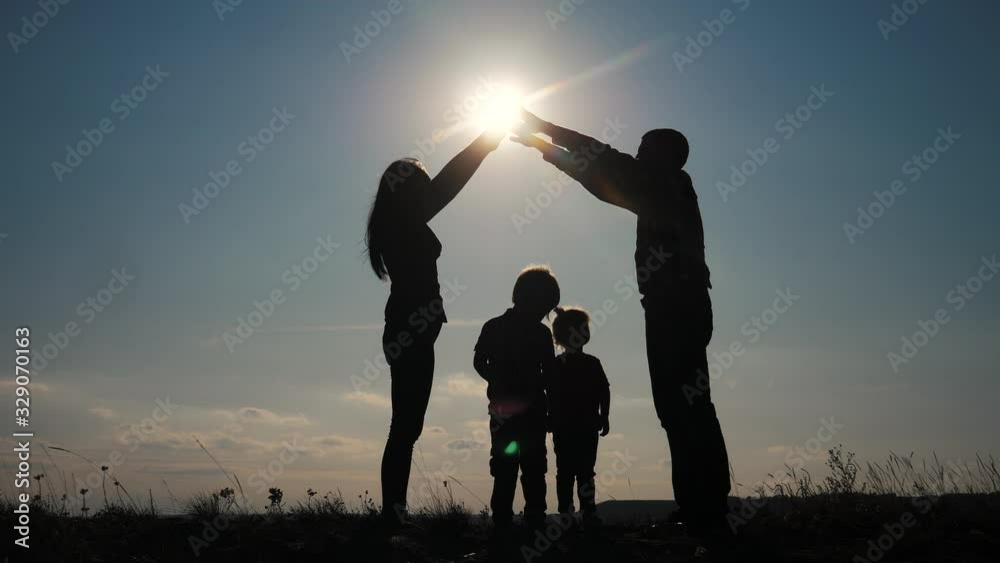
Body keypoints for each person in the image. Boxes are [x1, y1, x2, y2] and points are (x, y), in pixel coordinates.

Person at [513, 111, 731, 530]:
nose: (637, 153)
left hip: (675, 308)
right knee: (682, 408)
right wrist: (546, 143)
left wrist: (544, 132)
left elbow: (602, 163)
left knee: (687, 407)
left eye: (645, 148)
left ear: (666, 156)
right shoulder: (664, 189)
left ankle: (708, 509)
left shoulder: (664, 185)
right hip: (676, 307)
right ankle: (701, 508)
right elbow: (602, 175)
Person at [365, 131, 502, 529]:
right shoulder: (402, 221)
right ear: (407, 190)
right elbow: (449, 184)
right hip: (409, 330)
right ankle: (393, 514)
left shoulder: (395, 221)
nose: (428, 193)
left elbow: (443, 186)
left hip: (411, 330)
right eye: (420, 186)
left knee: (406, 426)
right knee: (404, 427)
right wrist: (483, 144)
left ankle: (395, 512)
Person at [473, 265, 560, 530]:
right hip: (530, 411)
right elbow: (550, 373)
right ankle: (530, 520)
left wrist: (495, 379)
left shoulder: (494, 326)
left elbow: (478, 362)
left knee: (507, 465)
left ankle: (505, 522)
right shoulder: (541, 333)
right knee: (530, 466)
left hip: (507, 411)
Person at [546, 306, 610, 526]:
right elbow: (604, 390)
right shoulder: (590, 364)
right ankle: (582, 511)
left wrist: (605, 415)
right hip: (580, 426)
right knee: (581, 471)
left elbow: (549, 394)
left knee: (568, 471)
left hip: (572, 426)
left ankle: (572, 512)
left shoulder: (557, 365)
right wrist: (605, 415)